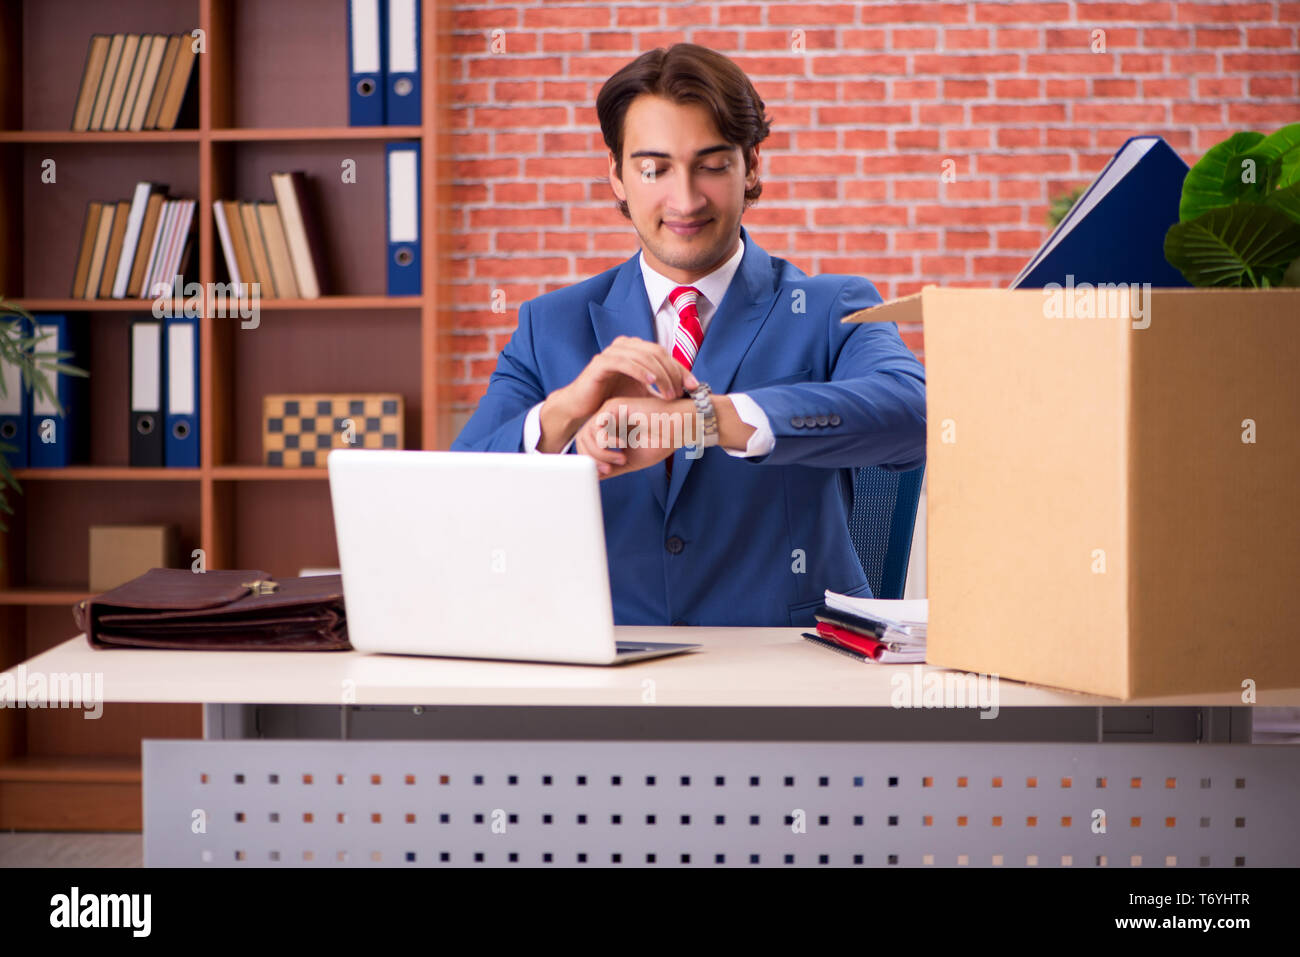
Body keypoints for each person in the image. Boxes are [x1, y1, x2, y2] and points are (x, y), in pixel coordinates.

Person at [452, 43, 926, 627]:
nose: (685, 199)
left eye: (711, 164)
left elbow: (917, 416)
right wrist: (564, 416)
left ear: (751, 166)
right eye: (654, 168)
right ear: (618, 177)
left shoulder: (831, 306)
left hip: (788, 672)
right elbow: (459, 493)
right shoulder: (550, 324)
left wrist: (703, 419)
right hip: (603, 669)